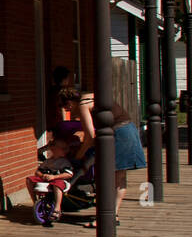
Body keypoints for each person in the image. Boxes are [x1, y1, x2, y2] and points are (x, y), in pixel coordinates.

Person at [62, 86, 145, 227]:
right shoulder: (94, 95)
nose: (67, 110)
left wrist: (78, 156)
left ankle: (105, 218)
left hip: (118, 134)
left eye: (66, 106)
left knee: (104, 177)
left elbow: (90, 137)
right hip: (129, 129)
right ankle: (113, 215)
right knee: (119, 177)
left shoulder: (83, 105)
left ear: (70, 102)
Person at [27, 137, 77, 226]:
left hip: (59, 180)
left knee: (57, 184)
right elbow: (37, 171)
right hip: (46, 180)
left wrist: (54, 177)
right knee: (29, 179)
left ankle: (57, 208)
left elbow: (69, 174)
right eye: (63, 148)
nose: (65, 151)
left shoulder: (64, 162)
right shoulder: (48, 161)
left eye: (65, 149)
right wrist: (42, 175)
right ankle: (35, 202)